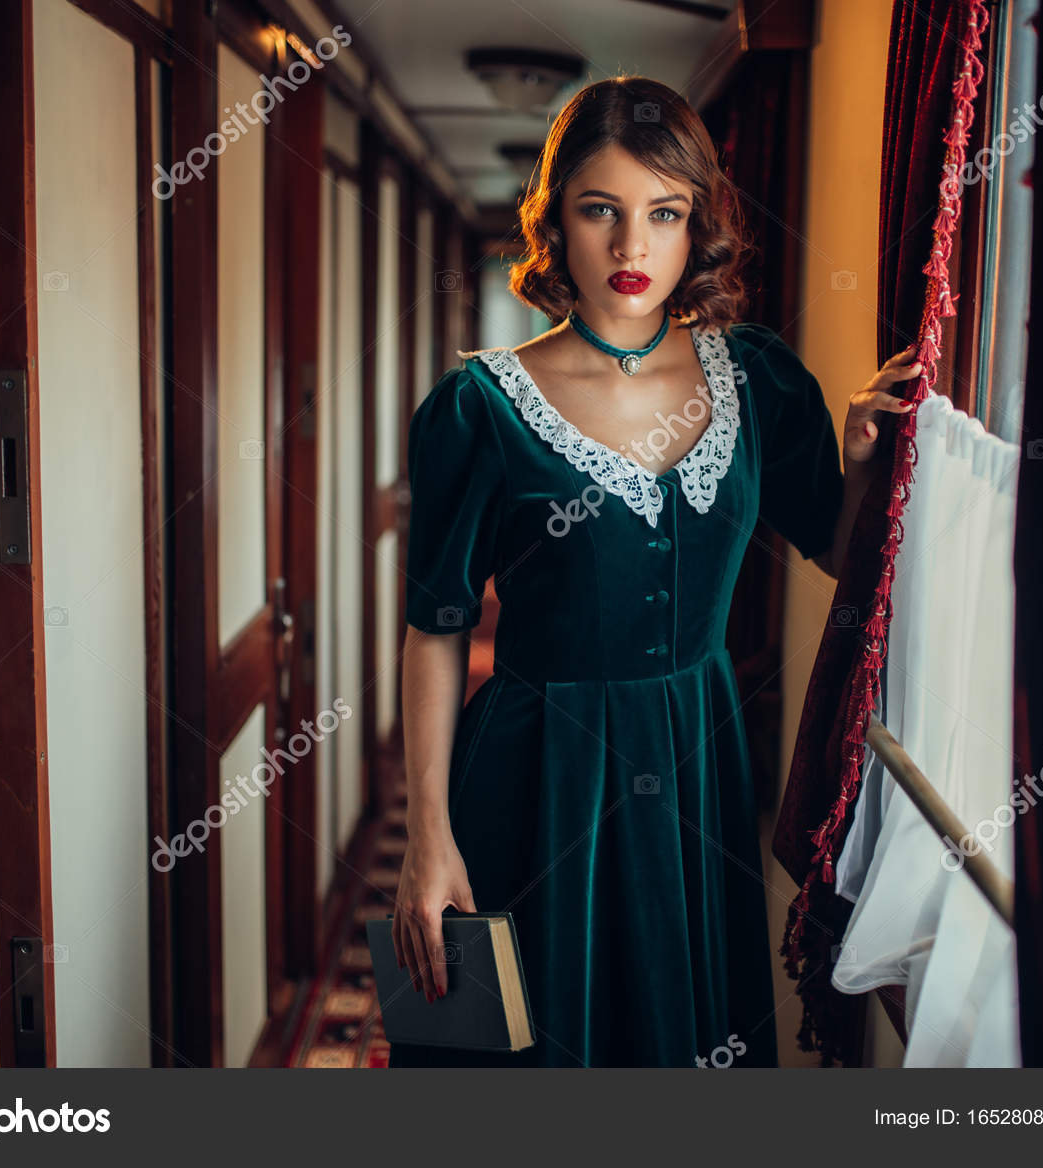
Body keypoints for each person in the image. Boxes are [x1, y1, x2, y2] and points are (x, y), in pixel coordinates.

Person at [388, 75, 921, 1067]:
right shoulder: (478, 406)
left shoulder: (759, 380)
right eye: (601, 210)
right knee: (530, 1047)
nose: (631, 248)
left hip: (694, 764)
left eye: (663, 213)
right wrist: (428, 833)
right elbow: (436, 629)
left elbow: (842, 554)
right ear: (556, 223)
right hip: (535, 770)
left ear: (696, 223)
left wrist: (856, 459)